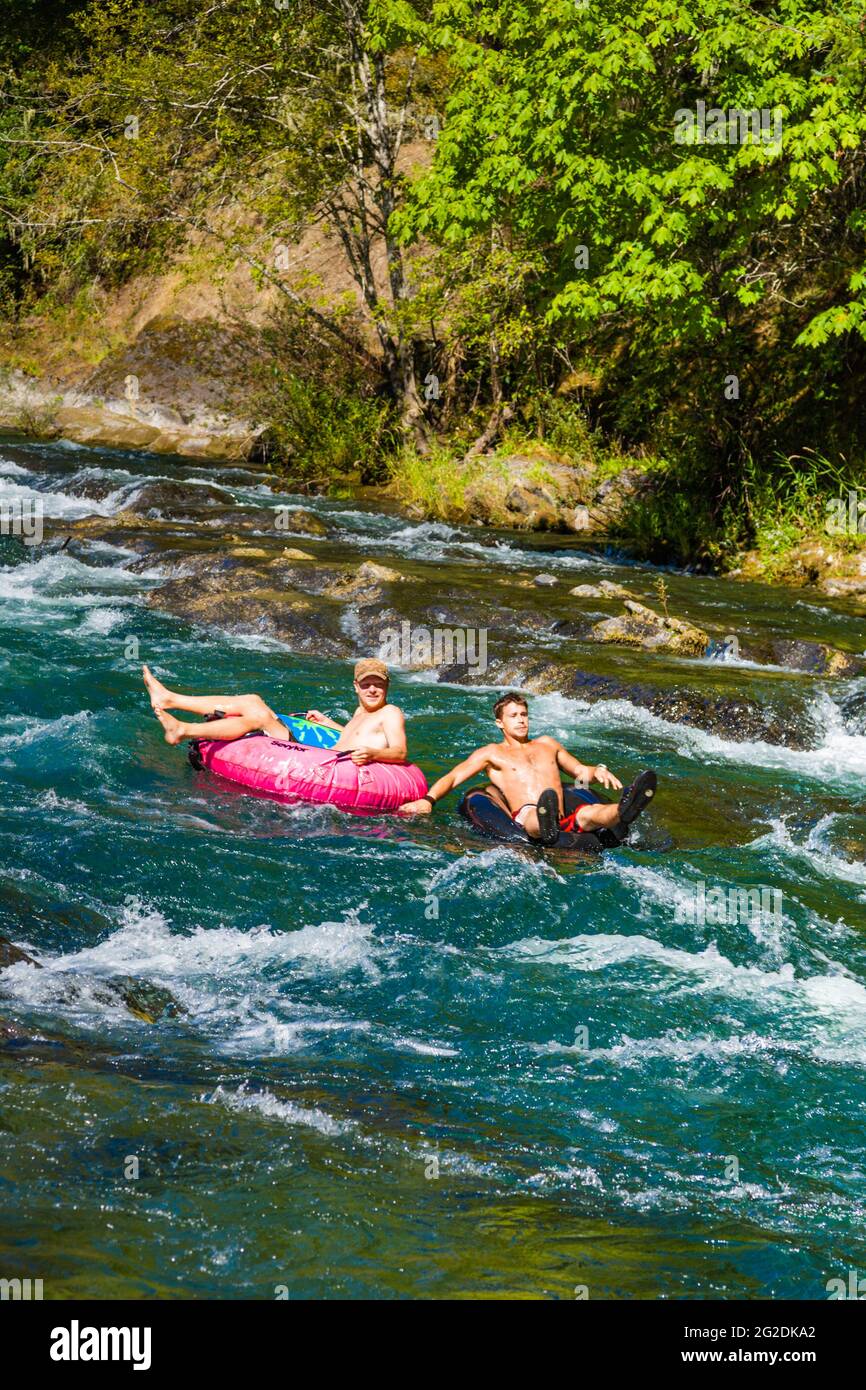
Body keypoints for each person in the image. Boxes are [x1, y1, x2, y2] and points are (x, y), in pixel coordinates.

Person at [399, 690, 656, 843]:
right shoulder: (492, 753)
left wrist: (597, 771)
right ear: (500, 723)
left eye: (524, 715)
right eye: (513, 716)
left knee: (592, 813)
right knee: (535, 813)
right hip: (527, 816)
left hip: (561, 816)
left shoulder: (547, 744)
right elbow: (454, 777)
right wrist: (428, 800)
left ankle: (625, 809)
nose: (521, 720)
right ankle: (546, 823)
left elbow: (579, 772)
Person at [142, 658, 408, 767]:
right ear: (356, 686)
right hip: (320, 757)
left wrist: (373, 754)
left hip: (322, 766)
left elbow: (399, 752)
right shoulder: (361, 711)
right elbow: (353, 737)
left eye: (378, 684)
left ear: (387, 686)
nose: (372, 689)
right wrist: (329, 723)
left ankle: (183, 728)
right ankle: (170, 699)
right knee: (252, 701)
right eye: (366, 684)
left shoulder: (390, 712)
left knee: (258, 716)